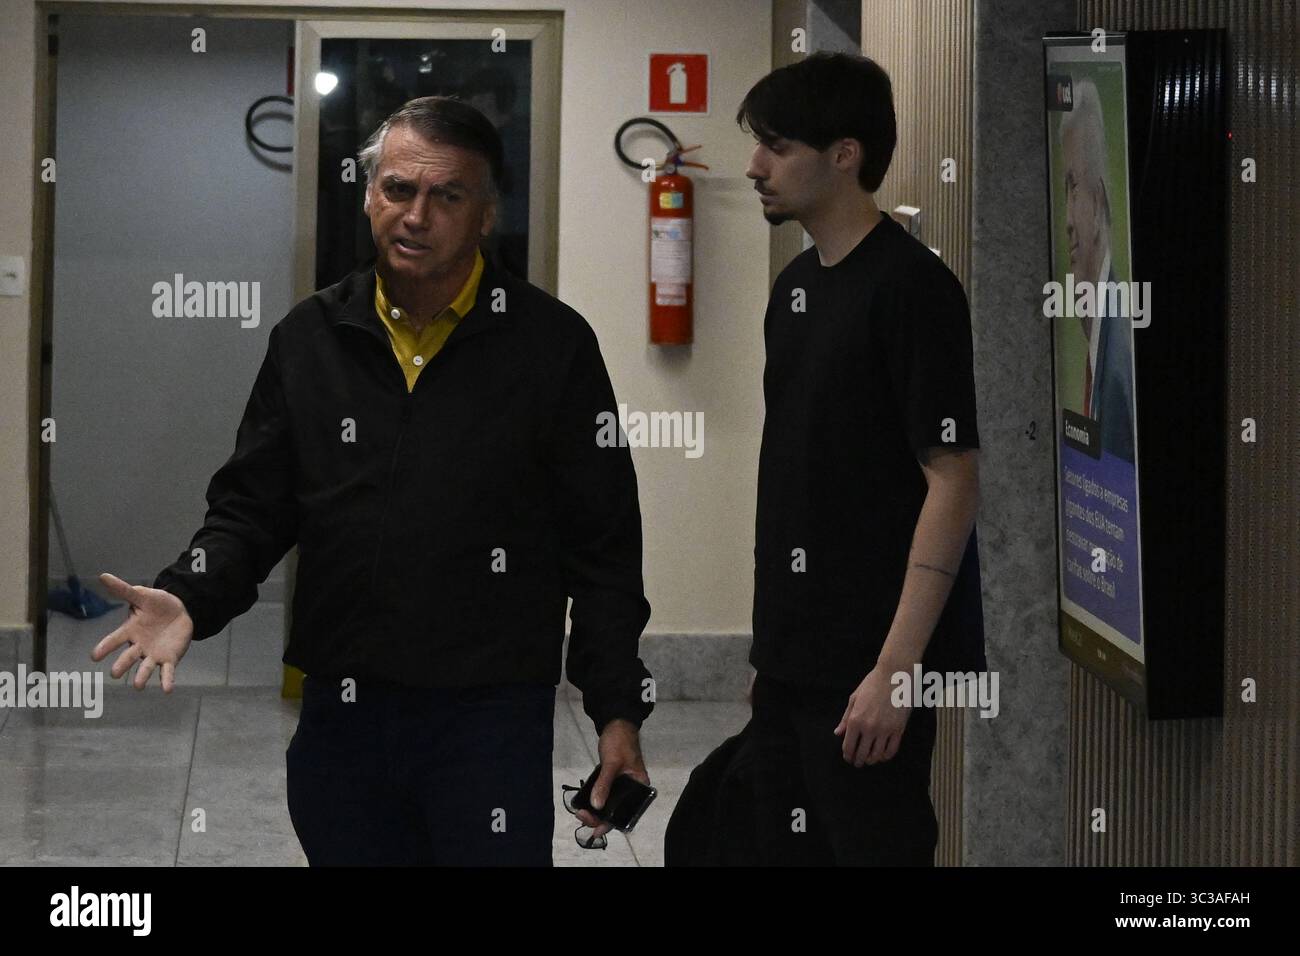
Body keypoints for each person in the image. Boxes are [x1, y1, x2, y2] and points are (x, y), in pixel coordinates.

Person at [92, 96, 653, 866]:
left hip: (488, 715)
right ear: (367, 195)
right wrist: (192, 592)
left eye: (446, 196)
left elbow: (604, 547)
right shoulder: (312, 339)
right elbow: (252, 510)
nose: (415, 216)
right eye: (397, 189)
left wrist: (618, 709)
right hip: (344, 711)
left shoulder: (550, 347)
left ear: (485, 213)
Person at [738, 52, 986, 866]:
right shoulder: (796, 288)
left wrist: (897, 669)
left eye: (777, 146)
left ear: (845, 155)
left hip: (871, 662)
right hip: (792, 659)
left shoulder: (913, 289)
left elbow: (952, 481)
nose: (755, 166)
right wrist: (771, 657)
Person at [1060, 76, 1135, 462]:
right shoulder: (1101, 335)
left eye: (1074, 189)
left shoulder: (1119, 365)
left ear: (1101, 201)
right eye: (1064, 192)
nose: (1067, 220)